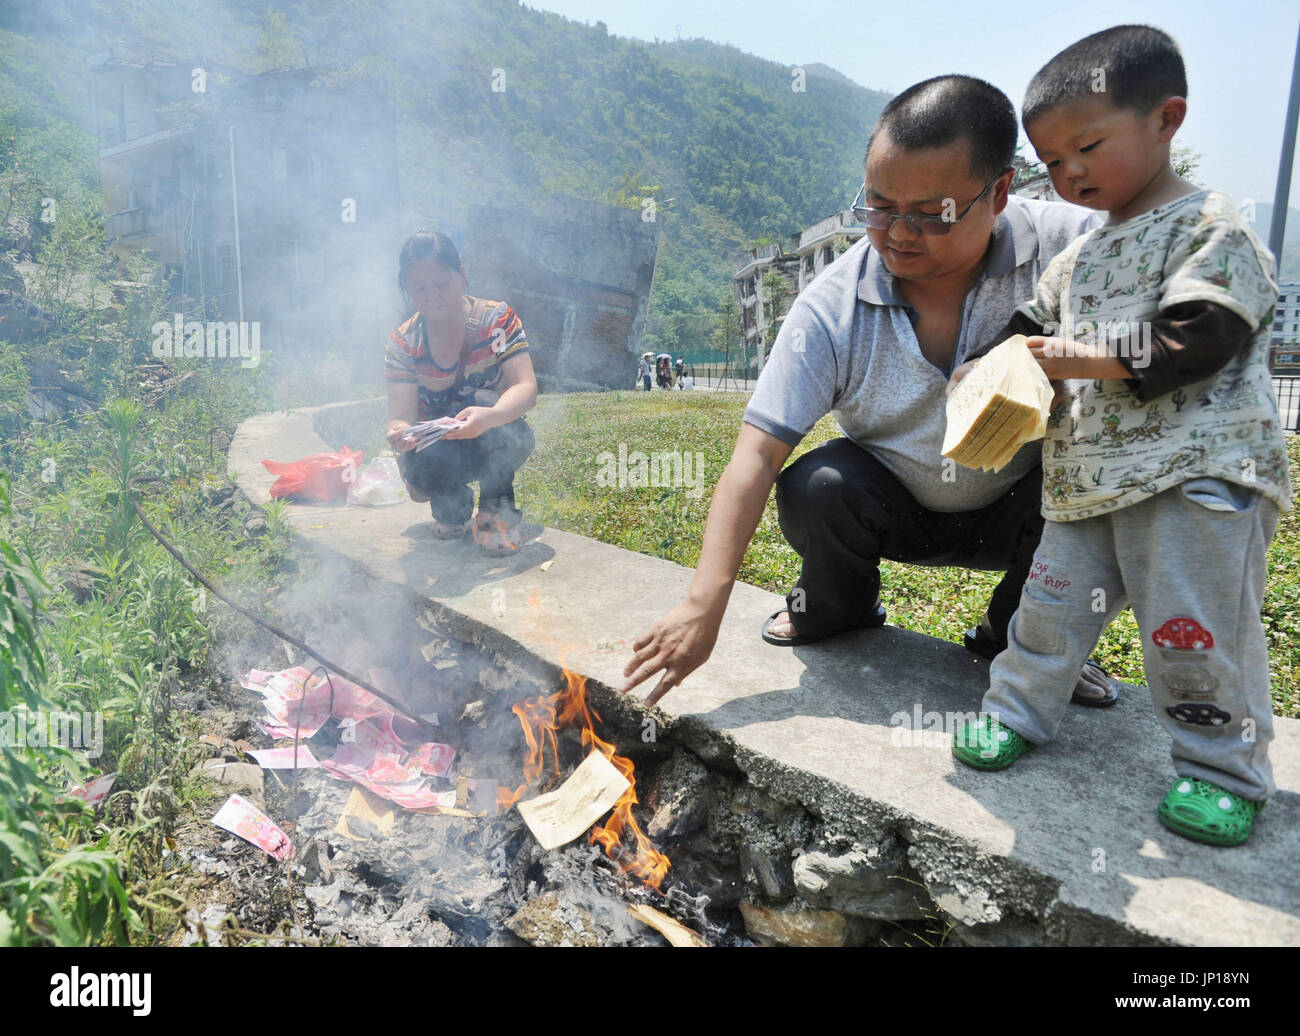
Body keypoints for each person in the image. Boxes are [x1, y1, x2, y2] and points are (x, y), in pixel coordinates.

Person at [620, 75, 1116, 709]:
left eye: (930, 213)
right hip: (892, 508)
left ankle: (1022, 631)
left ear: (998, 192)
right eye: (879, 207)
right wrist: (701, 604)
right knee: (815, 485)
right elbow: (756, 455)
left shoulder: (1074, 248)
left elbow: (1185, 300)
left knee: (1103, 476)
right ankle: (838, 607)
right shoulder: (832, 304)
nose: (898, 234)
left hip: (1024, 509)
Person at [948, 26, 1292, 847]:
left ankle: (1221, 770)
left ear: (1167, 118)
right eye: (1053, 161)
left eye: (1088, 148)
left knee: (1196, 634)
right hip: (1085, 486)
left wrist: (1068, 355)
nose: (1069, 175)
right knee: (1046, 614)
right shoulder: (1078, 258)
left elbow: (1194, 341)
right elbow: (1024, 332)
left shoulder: (1211, 228)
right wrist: (986, 369)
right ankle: (1017, 713)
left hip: (1196, 480)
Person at [384, 230, 538, 557]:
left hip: (496, 438)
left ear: (463, 274)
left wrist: (489, 417)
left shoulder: (496, 321)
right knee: (425, 470)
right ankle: (451, 508)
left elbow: (526, 389)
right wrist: (399, 432)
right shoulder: (404, 342)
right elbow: (401, 414)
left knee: (485, 404)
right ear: (407, 289)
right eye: (420, 288)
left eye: (442, 283)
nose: (433, 296)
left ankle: (496, 517)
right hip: (440, 452)